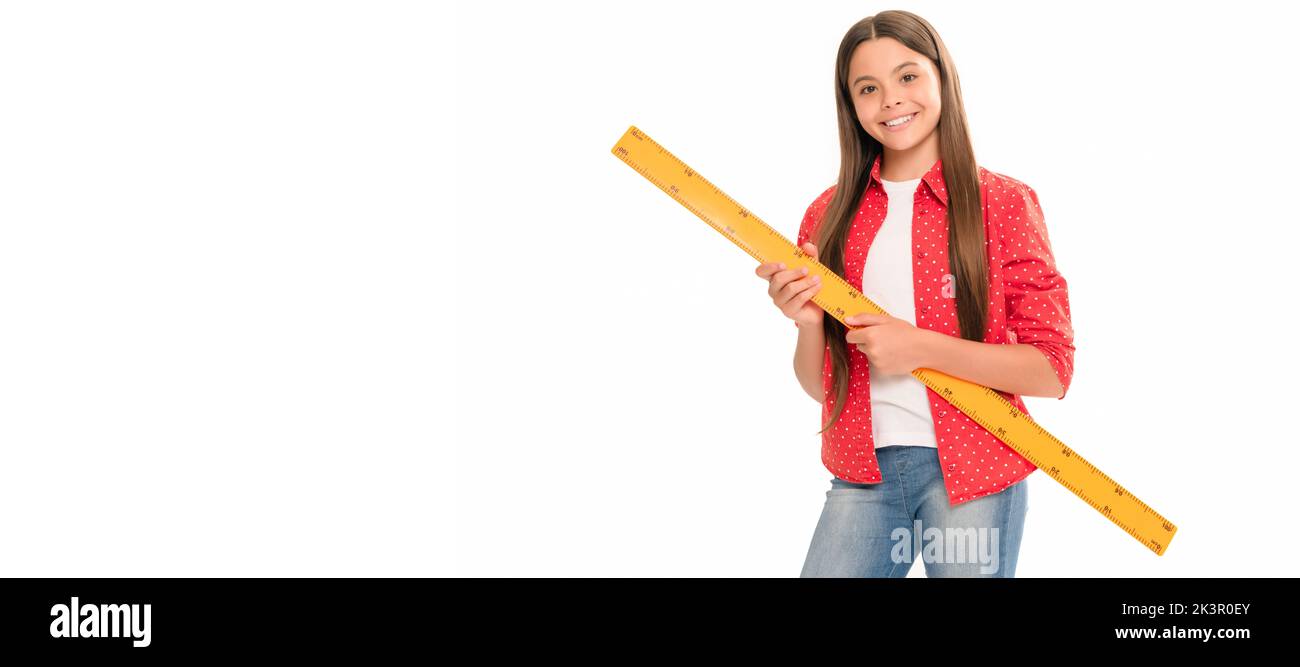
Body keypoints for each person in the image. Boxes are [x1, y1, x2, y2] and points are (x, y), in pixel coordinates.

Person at [754, 10, 1076, 577]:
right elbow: (821, 387)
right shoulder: (827, 217)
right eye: (868, 88)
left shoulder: (1003, 203)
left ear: (941, 79)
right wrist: (807, 325)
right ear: (849, 104)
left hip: (975, 474)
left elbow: (1051, 371)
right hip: (861, 475)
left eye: (907, 77)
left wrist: (919, 348)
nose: (890, 101)